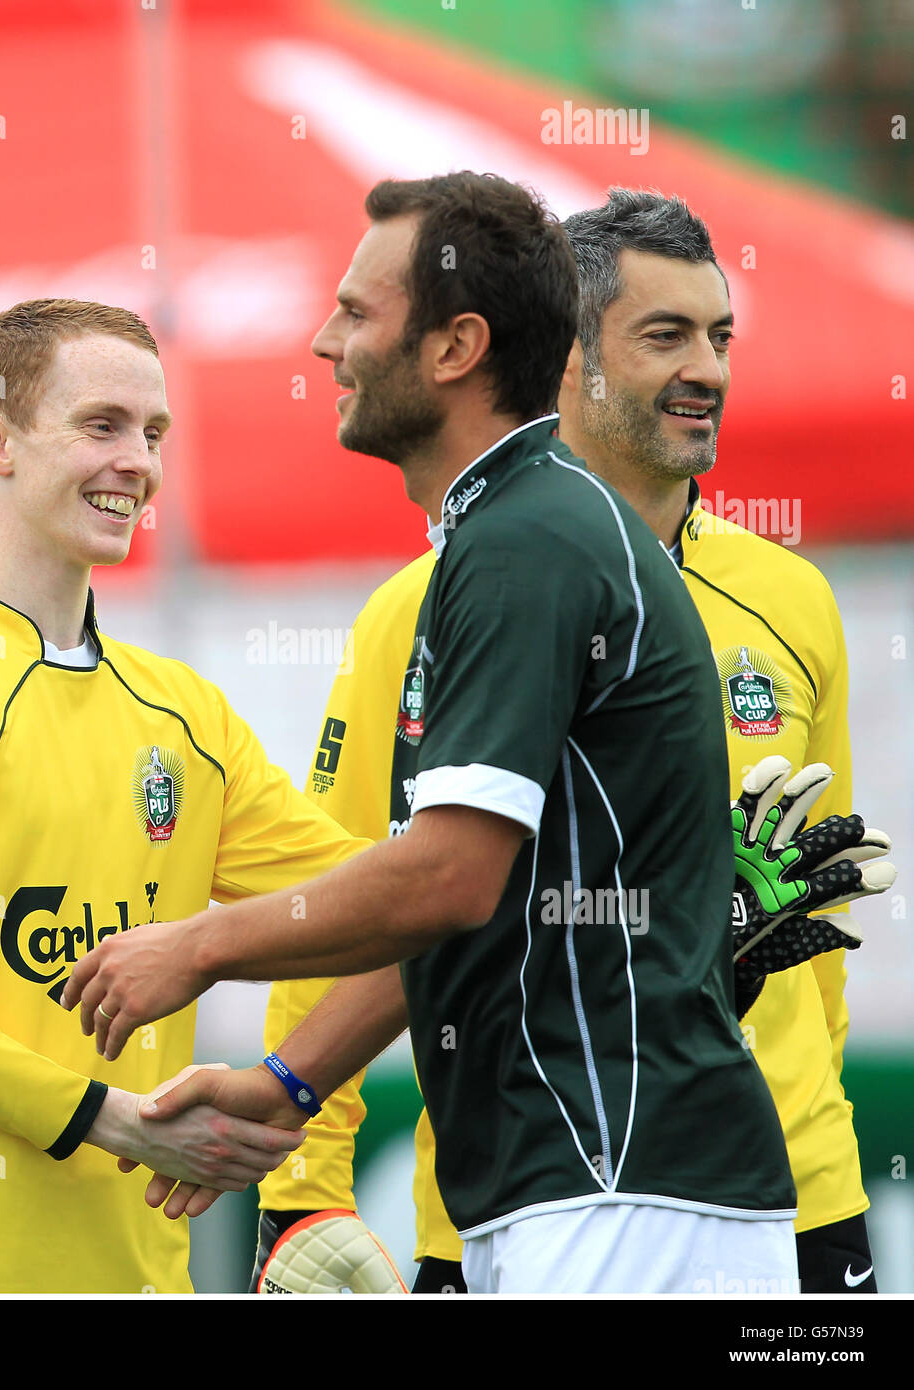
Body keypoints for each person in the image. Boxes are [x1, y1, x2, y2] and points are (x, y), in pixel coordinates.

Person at [62, 173, 812, 1295]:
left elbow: (449, 879)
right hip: (589, 1187)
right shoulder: (514, 531)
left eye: (358, 313)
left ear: (457, 345)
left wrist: (199, 945)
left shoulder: (525, 543)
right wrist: (289, 1082)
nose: (324, 341)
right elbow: (485, 898)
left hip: (622, 1189)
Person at [249, 188, 895, 1294]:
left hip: (782, 1187)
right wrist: (299, 1188)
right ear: (566, 361)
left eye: (720, 335)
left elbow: (816, 922)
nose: (709, 368)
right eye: (664, 336)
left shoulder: (794, 597)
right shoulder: (421, 606)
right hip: (516, 1191)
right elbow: (356, 890)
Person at [0, 299, 372, 1294]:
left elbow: (370, 908)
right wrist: (137, 1128)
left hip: (141, 1277)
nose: (139, 463)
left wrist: (291, 1084)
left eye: (154, 433)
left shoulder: (182, 712)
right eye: (102, 425)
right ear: (0, 441)